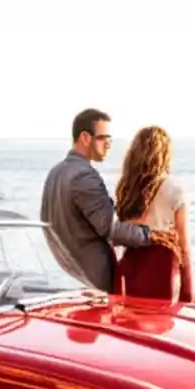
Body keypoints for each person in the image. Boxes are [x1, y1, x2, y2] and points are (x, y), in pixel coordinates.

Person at [40, 108, 153, 292]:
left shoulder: (55, 173)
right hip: (97, 283)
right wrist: (152, 235)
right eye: (103, 138)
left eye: (110, 139)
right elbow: (111, 229)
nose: (109, 144)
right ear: (85, 137)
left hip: (72, 274)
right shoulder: (84, 176)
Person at [113, 126, 194, 302]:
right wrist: (188, 293)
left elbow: (119, 235)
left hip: (131, 266)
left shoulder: (126, 189)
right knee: (163, 324)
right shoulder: (175, 188)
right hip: (162, 267)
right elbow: (184, 246)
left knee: (132, 324)